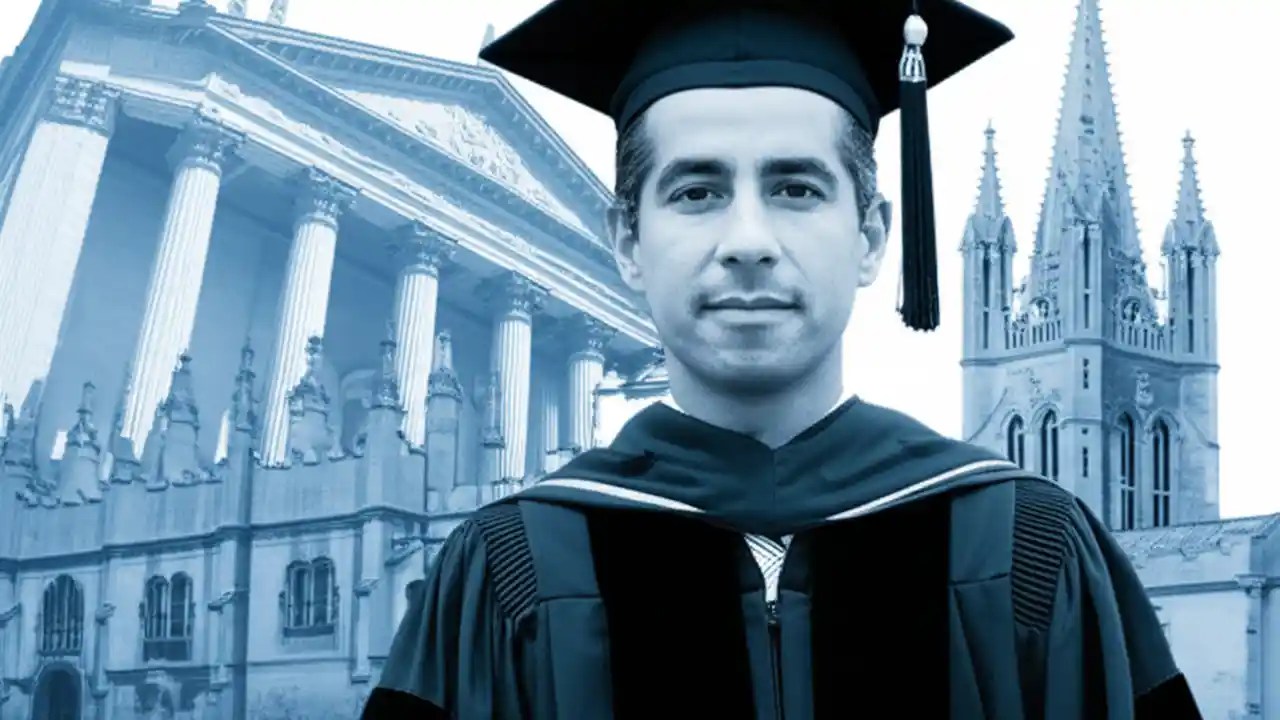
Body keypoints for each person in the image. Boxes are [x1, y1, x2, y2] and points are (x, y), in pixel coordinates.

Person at [361, 0, 1204, 717]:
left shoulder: (1028, 549)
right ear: (627, 241)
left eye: (795, 189)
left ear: (871, 235)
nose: (748, 241)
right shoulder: (510, 569)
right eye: (697, 191)